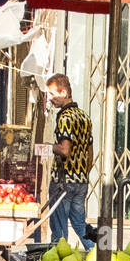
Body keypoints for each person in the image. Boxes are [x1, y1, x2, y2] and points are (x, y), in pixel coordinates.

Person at [46, 73, 93, 247]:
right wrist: (82, 175)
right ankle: (101, 253)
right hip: (81, 181)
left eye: (52, 94)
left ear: (64, 92)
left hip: (63, 182)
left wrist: (47, 146)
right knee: (80, 224)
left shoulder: (65, 118)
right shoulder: (84, 117)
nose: (50, 98)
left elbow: (65, 150)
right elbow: (90, 155)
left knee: (59, 229)